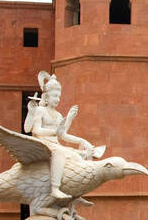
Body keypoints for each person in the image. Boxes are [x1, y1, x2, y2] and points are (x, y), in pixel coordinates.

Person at [23, 72, 99, 200]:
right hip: (43, 144)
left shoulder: (58, 115)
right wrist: (54, 132)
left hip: (55, 144)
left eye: (59, 96)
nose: (57, 99)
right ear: (46, 97)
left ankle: (76, 188)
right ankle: (55, 188)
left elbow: (63, 134)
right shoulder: (41, 110)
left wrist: (81, 139)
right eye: (54, 96)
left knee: (78, 156)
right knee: (59, 153)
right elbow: (36, 130)